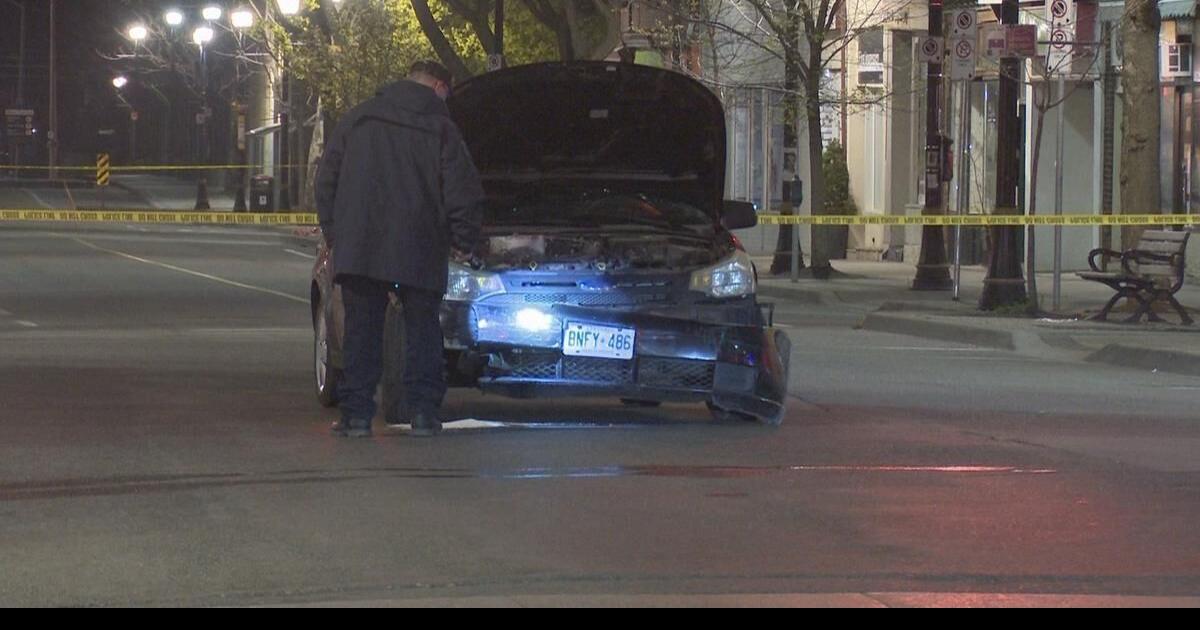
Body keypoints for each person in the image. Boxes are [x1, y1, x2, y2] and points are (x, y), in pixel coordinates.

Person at [316, 60, 483, 438]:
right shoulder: (442, 128)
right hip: (419, 242)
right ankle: (423, 413)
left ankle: (357, 416)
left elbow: (326, 178)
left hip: (361, 244)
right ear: (440, 86)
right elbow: (462, 191)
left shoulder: (358, 118)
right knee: (423, 330)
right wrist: (464, 240)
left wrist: (335, 233)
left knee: (362, 330)